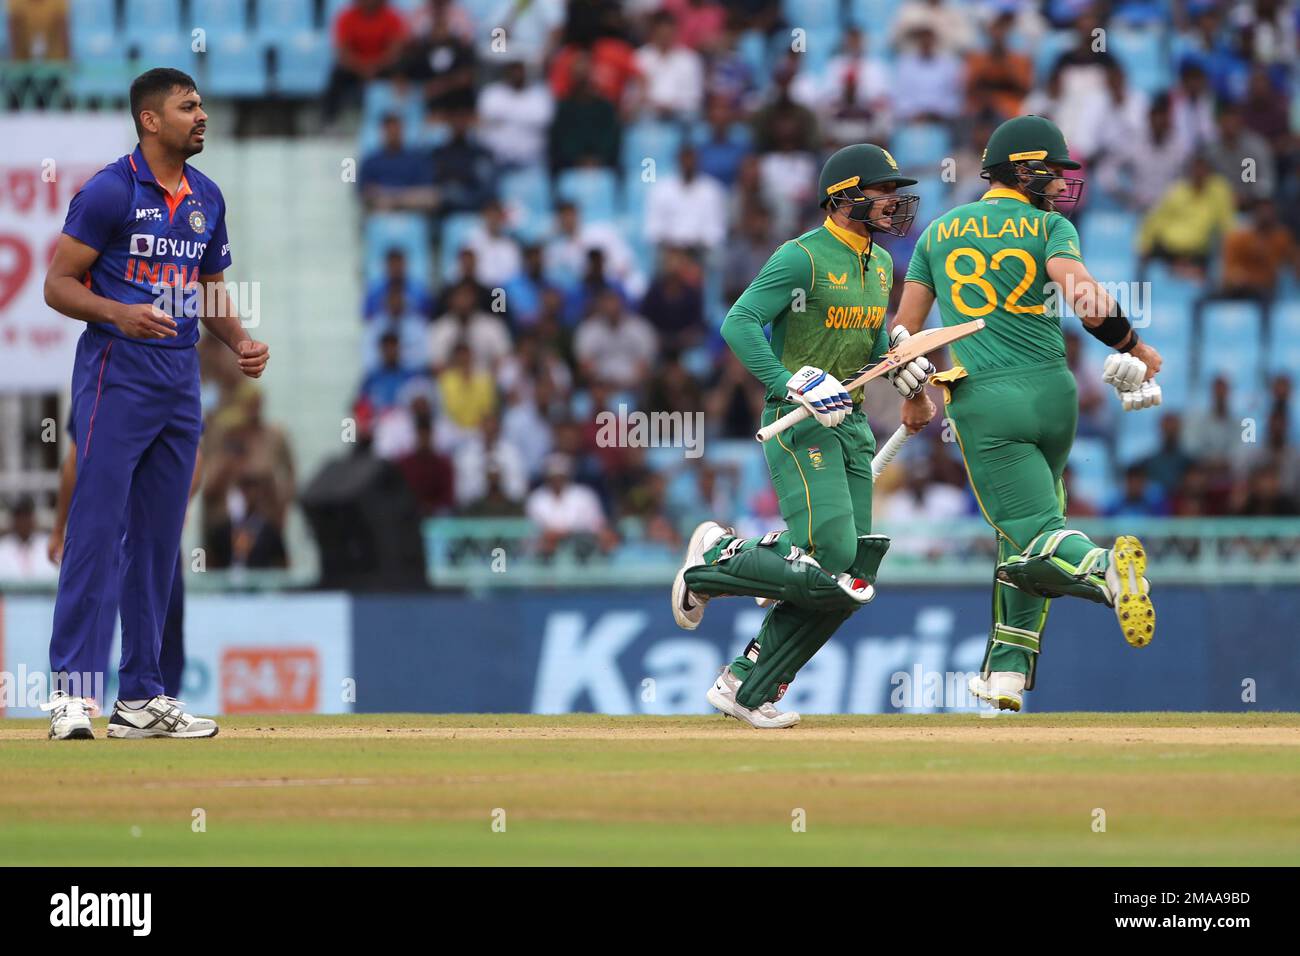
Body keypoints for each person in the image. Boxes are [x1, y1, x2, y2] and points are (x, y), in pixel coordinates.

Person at [893, 115, 1163, 713]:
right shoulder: (1049, 227)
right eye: (1055, 172)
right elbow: (1086, 300)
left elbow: (905, 331)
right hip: (1054, 395)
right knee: (1027, 529)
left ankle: (1104, 572)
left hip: (987, 402)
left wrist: (912, 390)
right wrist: (1134, 347)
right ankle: (1007, 673)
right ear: (1026, 170)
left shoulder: (938, 231)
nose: (1062, 185)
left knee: (1035, 532)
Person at [670, 144, 933, 729]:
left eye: (896, 192)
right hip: (798, 424)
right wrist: (790, 383)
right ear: (843, 198)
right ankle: (714, 555)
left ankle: (747, 683)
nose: (894, 202)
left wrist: (900, 361)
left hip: (854, 423)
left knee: (852, 576)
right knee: (829, 557)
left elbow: (863, 350)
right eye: (883, 191)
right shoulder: (802, 258)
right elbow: (737, 322)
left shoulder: (881, 263)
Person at [41, 68, 268, 739]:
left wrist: (240, 341)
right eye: (187, 106)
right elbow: (57, 285)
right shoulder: (111, 191)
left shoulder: (206, 196)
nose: (201, 116)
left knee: (159, 542)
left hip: (180, 379)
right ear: (150, 119)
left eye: (201, 105)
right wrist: (119, 313)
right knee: (96, 528)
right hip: (119, 369)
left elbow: (208, 287)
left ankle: (141, 699)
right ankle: (71, 697)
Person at [0, 497, 57, 582]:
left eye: (26, 516)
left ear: (33, 518)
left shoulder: (48, 544)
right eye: (19, 517)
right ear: (13, 520)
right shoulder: (3, 548)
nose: (23, 522)